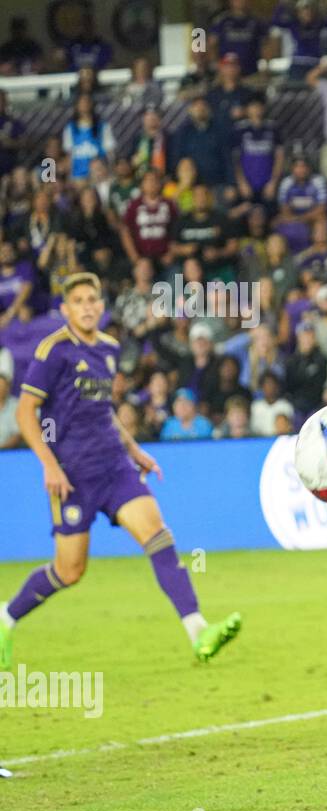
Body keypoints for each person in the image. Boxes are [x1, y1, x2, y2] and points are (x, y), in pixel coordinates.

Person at [0, 273, 241, 668]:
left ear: (101, 304)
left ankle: (199, 631)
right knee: (70, 570)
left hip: (115, 467)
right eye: (77, 300)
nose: (87, 306)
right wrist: (49, 465)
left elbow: (103, 410)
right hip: (72, 475)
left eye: (92, 298)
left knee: (159, 537)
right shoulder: (53, 351)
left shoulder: (109, 350)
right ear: (65, 309)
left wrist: (134, 449)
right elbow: (27, 412)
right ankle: (6, 618)